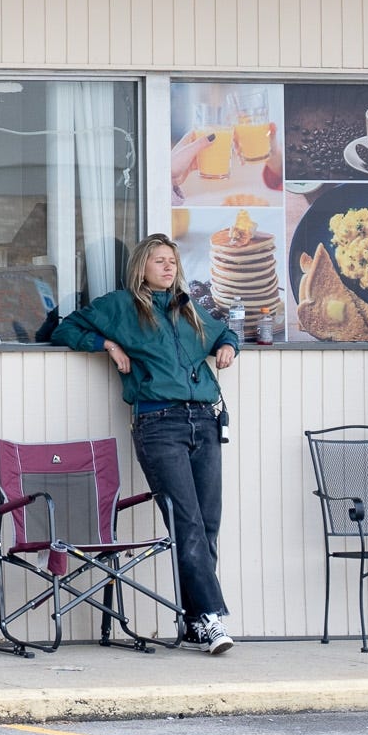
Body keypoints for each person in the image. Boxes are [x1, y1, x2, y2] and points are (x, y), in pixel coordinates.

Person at [53, 233, 239, 654]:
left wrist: (228, 345)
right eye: (159, 261)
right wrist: (106, 343)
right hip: (159, 423)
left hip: (204, 421)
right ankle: (211, 618)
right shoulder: (121, 305)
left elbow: (224, 333)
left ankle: (194, 621)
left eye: (172, 260)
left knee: (207, 523)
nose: (169, 267)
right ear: (142, 267)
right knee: (186, 521)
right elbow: (65, 327)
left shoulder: (187, 307)